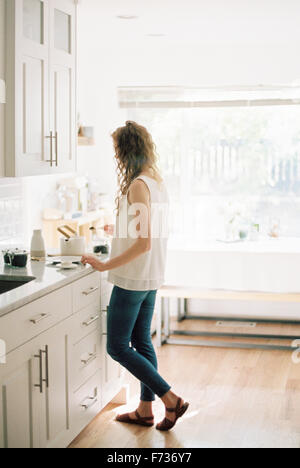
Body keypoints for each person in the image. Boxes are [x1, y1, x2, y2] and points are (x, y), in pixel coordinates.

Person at [81, 121, 189, 431]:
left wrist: (105, 265)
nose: (115, 157)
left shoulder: (138, 184)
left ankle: (170, 398)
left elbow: (144, 243)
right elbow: (147, 231)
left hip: (132, 279)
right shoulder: (156, 181)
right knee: (142, 340)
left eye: (117, 150)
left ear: (126, 151)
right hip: (151, 275)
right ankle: (144, 410)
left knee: (117, 346)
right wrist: (121, 230)